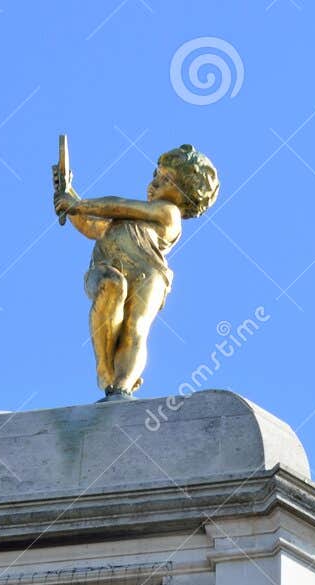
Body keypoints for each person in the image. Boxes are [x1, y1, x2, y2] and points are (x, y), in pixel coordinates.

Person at [53, 144, 220, 398]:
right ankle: (105, 368)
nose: (155, 183)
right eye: (156, 175)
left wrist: (77, 203)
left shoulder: (168, 212)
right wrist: (67, 196)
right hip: (107, 268)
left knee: (136, 327)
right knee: (112, 285)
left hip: (149, 273)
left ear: (186, 195)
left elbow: (116, 206)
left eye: (167, 180)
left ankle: (122, 385)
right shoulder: (125, 220)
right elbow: (91, 226)